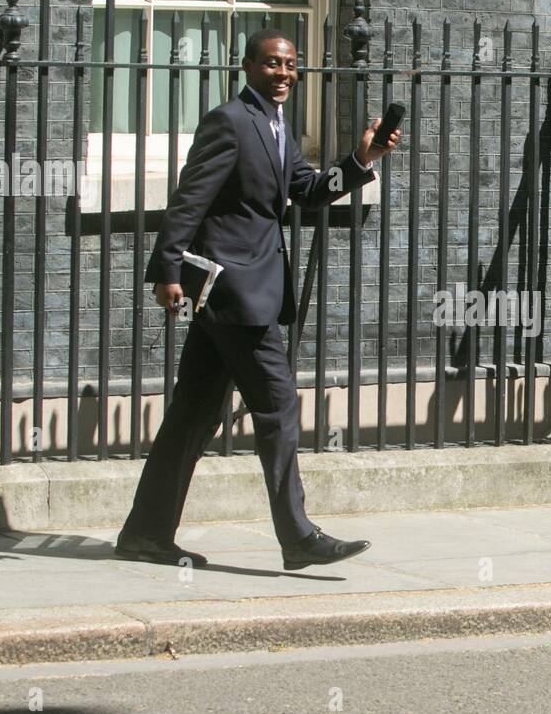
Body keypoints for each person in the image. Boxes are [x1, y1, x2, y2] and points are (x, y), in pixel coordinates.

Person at [115, 28, 401, 571]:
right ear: (246, 66)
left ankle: (145, 534)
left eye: (291, 65)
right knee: (278, 405)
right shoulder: (230, 121)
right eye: (272, 64)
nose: (284, 74)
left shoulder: (275, 127)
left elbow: (308, 192)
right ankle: (296, 537)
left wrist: (360, 160)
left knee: (191, 417)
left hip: (241, 295)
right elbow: (189, 197)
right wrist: (166, 268)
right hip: (235, 290)